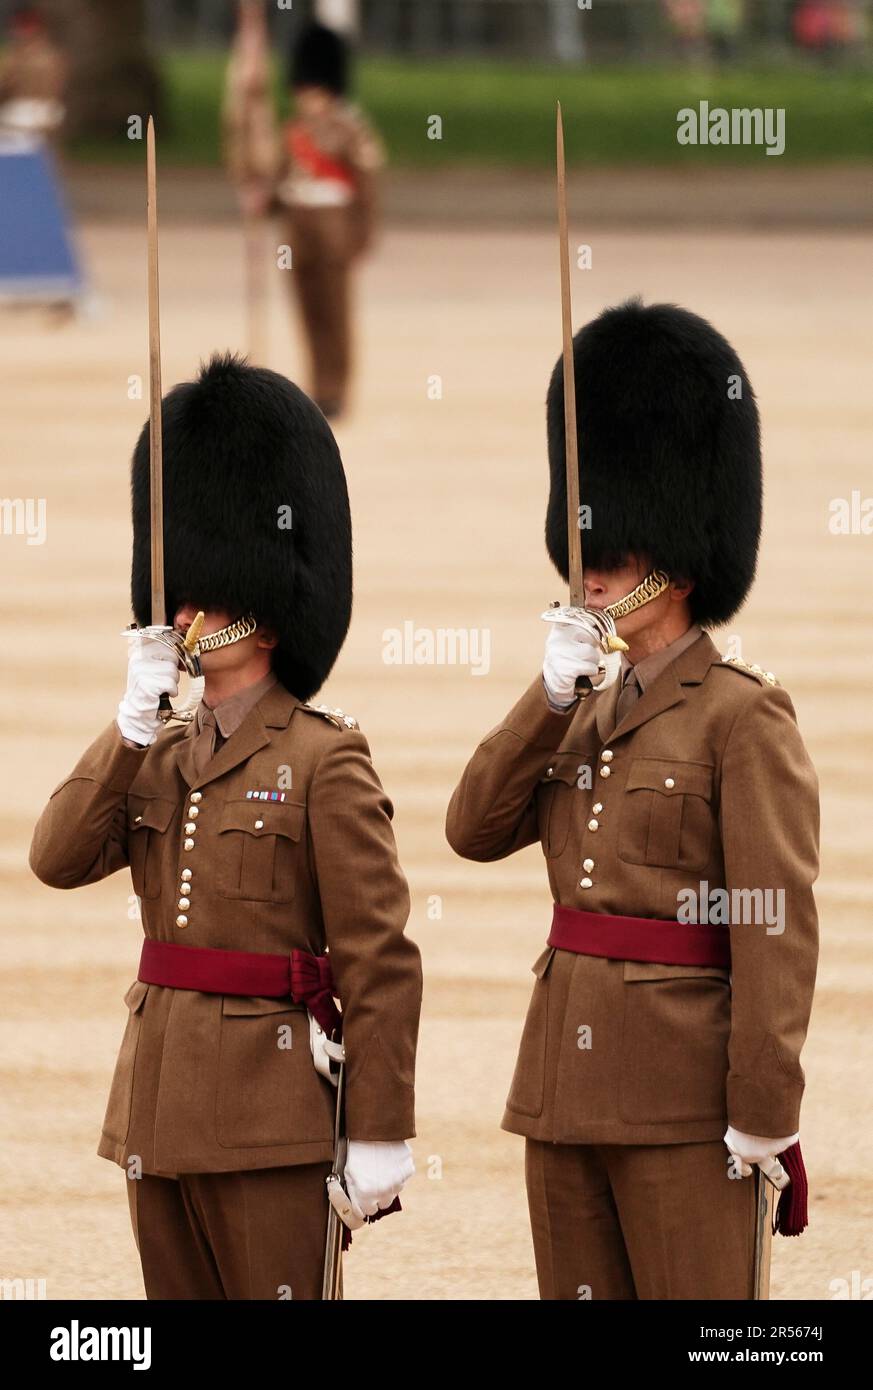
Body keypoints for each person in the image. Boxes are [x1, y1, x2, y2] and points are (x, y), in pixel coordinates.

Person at [445, 299, 818, 1300]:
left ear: (681, 557)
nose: (595, 565)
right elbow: (471, 827)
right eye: (586, 545)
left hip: (686, 1101)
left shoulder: (744, 718)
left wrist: (764, 1105)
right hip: (561, 1093)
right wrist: (546, 693)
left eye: (618, 549)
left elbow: (773, 927)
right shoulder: (577, 702)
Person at [30, 354, 422, 1300]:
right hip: (157, 1110)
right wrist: (127, 726)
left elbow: (377, 956)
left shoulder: (327, 759)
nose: (187, 612)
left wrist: (379, 1127)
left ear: (272, 612)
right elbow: (56, 857)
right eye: (181, 593)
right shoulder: (155, 750)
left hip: (271, 1114)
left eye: (211, 596)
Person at [276, 21, 384, 418]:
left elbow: (367, 184)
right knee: (309, 313)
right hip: (297, 231)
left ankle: (336, 388)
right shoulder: (292, 132)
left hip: (334, 228)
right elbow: (277, 181)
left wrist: (364, 233)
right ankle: (317, 384)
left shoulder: (350, 129)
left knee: (335, 315)